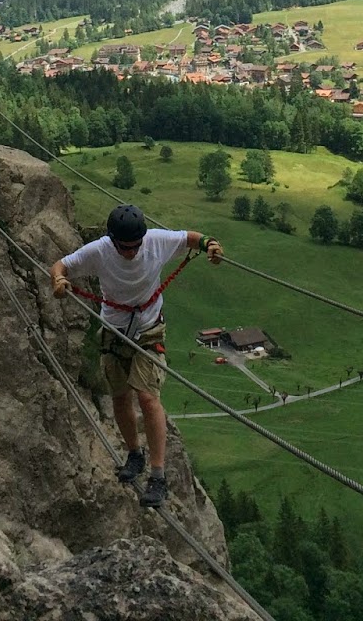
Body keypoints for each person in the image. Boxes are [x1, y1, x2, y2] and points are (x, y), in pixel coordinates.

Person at [51, 203, 223, 508]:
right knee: (119, 396)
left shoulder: (155, 240)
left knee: (147, 397)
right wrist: (59, 281)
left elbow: (191, 238)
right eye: (125, 248)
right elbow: (61, 265)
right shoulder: (100, 251)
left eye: (135, 246)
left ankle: (158, 476)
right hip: (114, 329)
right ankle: (134, 454)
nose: (131, 253)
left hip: (149, 330)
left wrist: (210, 244)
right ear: (113, 241)